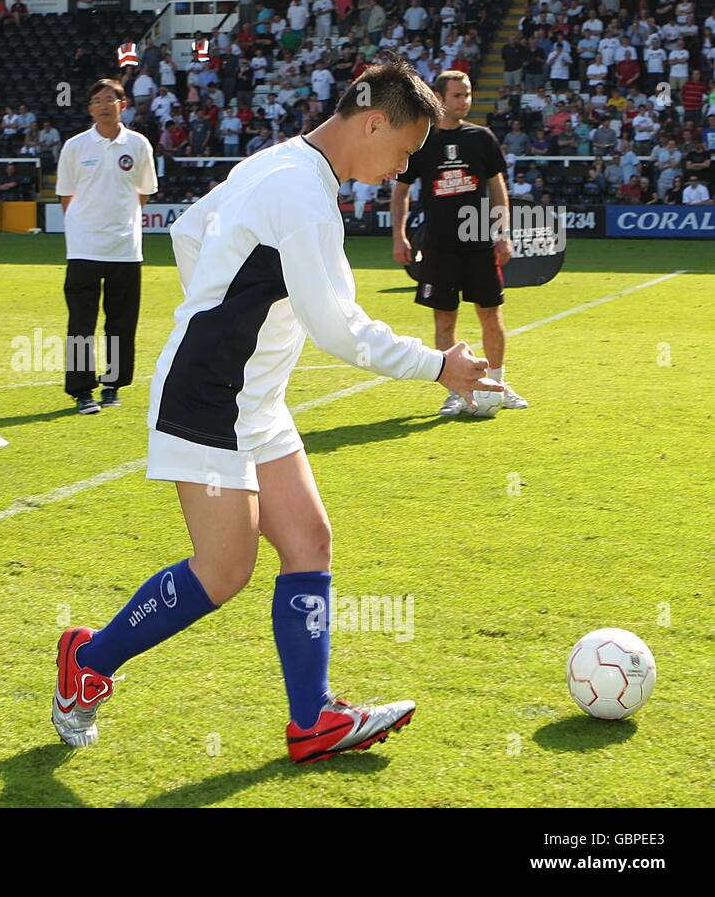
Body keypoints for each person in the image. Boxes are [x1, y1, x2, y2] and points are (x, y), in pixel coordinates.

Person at [51, 61, 500, 759]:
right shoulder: (302, 192)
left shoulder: (283, 164)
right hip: (207, 398)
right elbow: (340, 329)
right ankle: (87, 661)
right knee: (223, 569)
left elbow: (190, 232)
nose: (402, 169)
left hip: (250, 397)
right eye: (406, 152)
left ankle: (312, 718)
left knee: (310, 541)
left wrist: (225, 312)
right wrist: (439, 364)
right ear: (374, 121)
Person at [391, 70, 528, 415]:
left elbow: (498, 189)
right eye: (457, 95)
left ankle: (497, 383)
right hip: (438, 246)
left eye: (467, 94)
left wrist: (503, 233)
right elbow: (402, 191)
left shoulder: (481, 138)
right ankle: (455, 390)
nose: (464, 101)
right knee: (445, 322)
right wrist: (399, 234)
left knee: (491, 317)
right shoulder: (421, 140)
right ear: (439, 97)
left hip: (480, 244)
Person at [54, 79, 158, 414]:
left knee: (122, 322)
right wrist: (85, 227)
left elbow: (143, 191)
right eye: (96, 100)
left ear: (123, 104)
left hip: (125, 248)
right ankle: (82, 391)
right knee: (81, 323)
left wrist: (120, 224)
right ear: (89, 108)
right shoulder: (75, 147)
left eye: (109, 99)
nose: (103, 105)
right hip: (84, 248)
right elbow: (65, 195)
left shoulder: (138, 145)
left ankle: (113, 384)